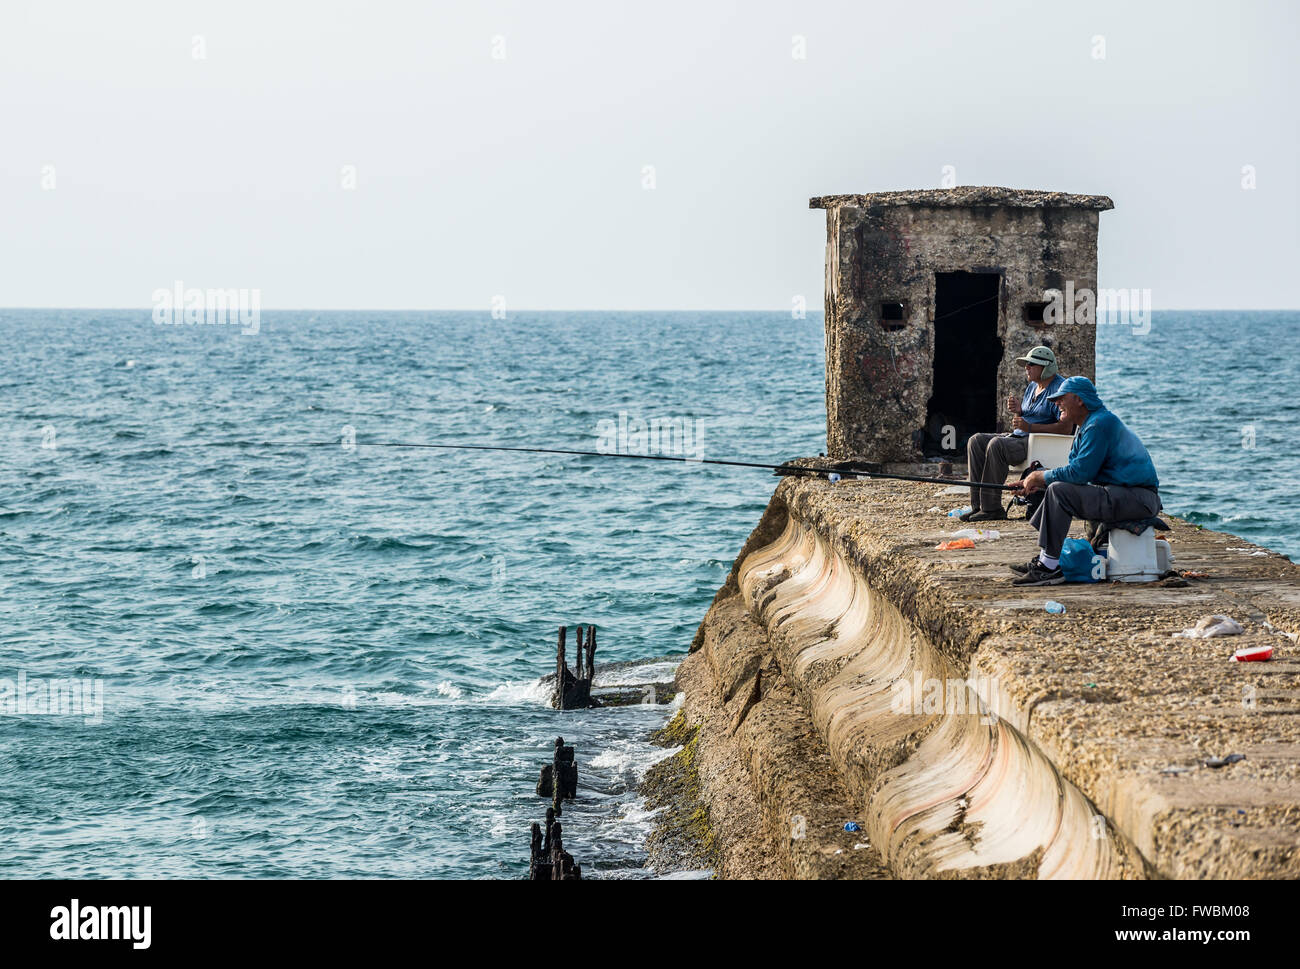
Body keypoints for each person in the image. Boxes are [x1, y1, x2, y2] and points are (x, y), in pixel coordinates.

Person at [1009, 376, 1160, 586]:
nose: (1056, 403)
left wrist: (1040, 477)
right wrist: (1034, 482)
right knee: (1054, 487)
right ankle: (1047, 560)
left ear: (1079, 400)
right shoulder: (1088, 425)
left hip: (1137, 498)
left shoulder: (1099, 424)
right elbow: (1074, 471)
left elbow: (1080, 473)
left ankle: (1049, 567)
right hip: (1120, 494)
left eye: (1061, 398)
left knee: (1059, 491)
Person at [962, 346, 1071, 522]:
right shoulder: (1032, 387)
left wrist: (1030, 427)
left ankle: (992, 509)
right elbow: (1029, 419)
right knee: (976, 441)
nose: (1027, 368)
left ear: (1046, 367)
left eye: (1031, 364)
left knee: (996, 444)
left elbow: (1065, 428)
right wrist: (1019, 412)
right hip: (1019, 437)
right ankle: (978, 506)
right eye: (1026, 364)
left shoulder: (1059, 389)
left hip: (1035, 441)